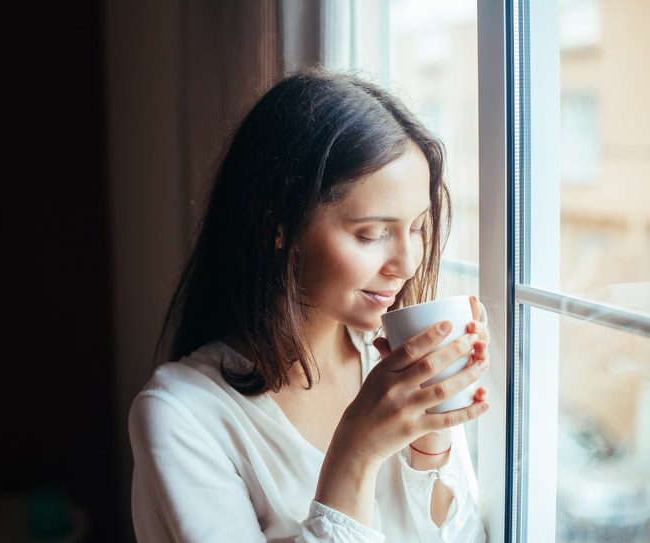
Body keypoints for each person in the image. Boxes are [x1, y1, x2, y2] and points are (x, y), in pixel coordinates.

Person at [128, 68, 490, 542]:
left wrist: (432, 441)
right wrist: (356, 454)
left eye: (418, 228)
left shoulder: (396, 368)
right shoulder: (182, 415)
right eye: (372, 233)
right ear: (275, 226)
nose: (405, 263)